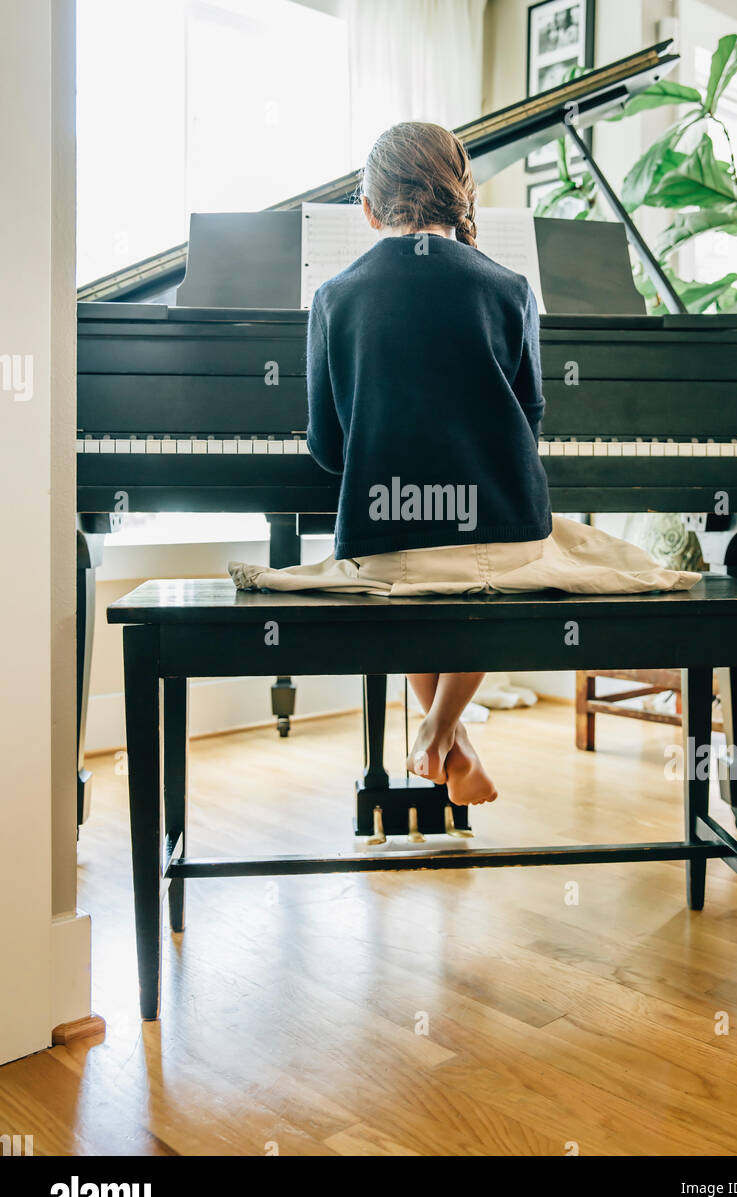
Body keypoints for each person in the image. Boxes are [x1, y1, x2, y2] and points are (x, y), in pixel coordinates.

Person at [230, 121, 699, 806]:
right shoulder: (509, 289)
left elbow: (330, 453)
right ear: (463, 201)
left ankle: (442, 731)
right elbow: (528, 423)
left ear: (366, 208)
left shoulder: (334, 297)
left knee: (416, 573)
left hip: (392, 553)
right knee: (520, 561)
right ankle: (446, 733)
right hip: (504, 548)